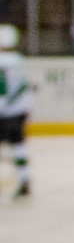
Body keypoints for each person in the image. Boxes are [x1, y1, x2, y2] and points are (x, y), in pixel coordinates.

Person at [0, 25, 30, 199]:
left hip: (3, 111)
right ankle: (24, 180)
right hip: (18, 110)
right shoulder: (18, 59)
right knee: (18, 145)